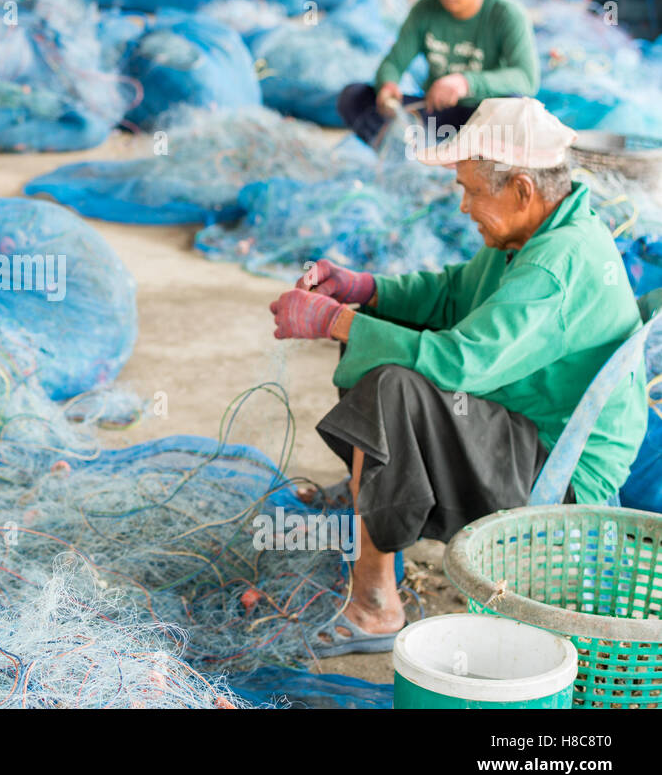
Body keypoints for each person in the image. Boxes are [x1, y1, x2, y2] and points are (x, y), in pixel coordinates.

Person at [269, 97, 649, 654]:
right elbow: (452, 295)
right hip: (522, 428)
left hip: (559, 478)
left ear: (522, 188)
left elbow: (458, 362)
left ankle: (377, 606)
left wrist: (340, 322)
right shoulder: (532, 229)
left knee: (391, 386)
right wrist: (365, 291)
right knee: (380, 337)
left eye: (473, 190)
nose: (465, 205)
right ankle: (369, 489)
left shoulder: (554, 265)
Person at [338, 0, 539, 149]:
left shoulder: (507, 14)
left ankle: (477, 158)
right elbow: (394, 63)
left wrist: (466, 83)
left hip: (484, 118)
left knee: (516, 108)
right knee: (354, 97)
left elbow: (526, 78)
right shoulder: (425, 10)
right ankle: (400, 152)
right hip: (437, 114)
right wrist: (387, 86)